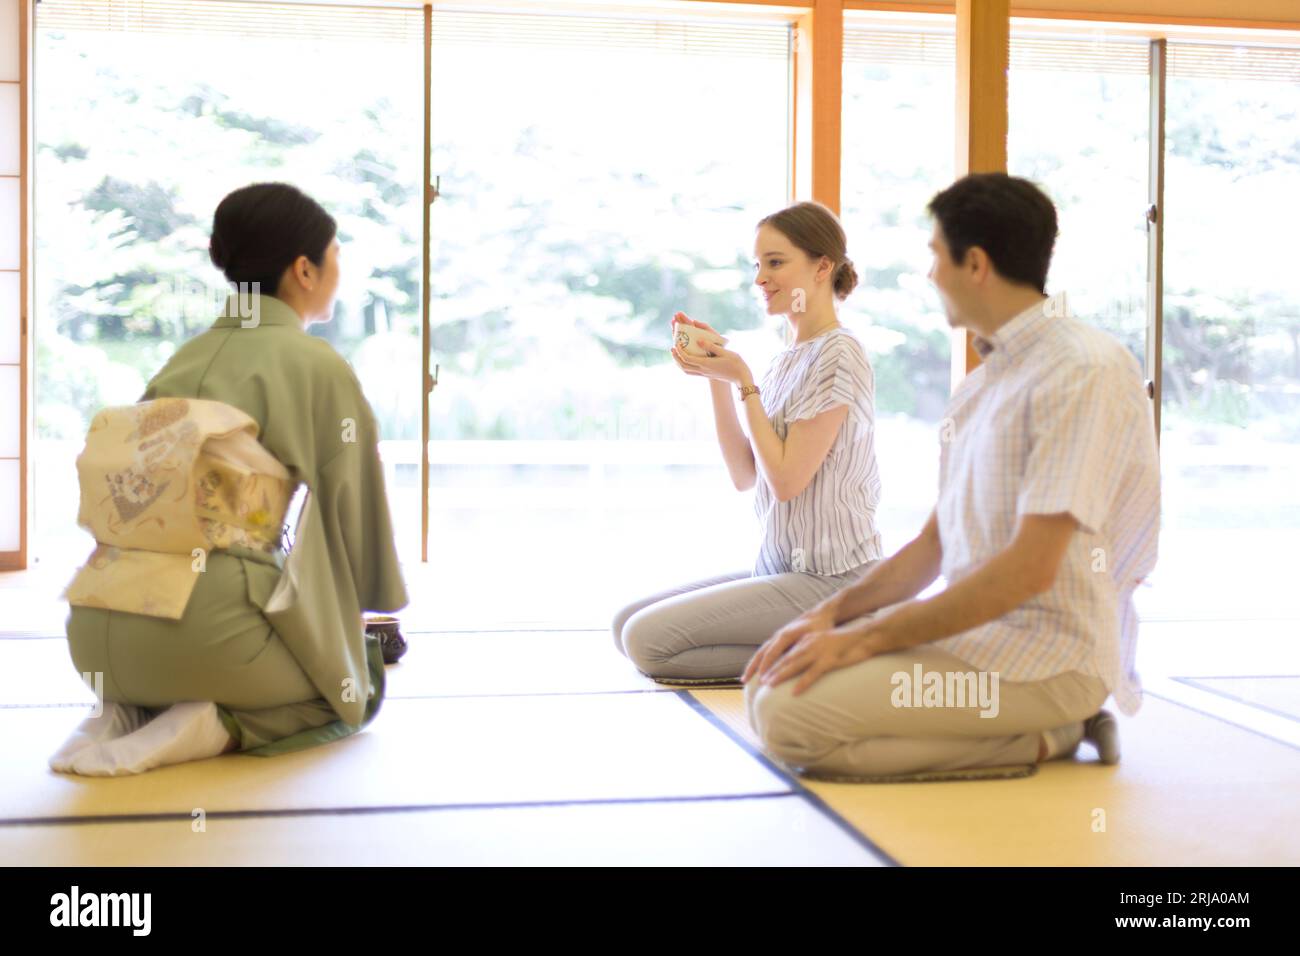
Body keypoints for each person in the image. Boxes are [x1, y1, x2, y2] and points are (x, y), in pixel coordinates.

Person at [742, 173, 1160, 778]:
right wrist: (831, 615)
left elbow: (1027, 571)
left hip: (1051, 660)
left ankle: (1051, 731)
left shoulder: (1081, 371)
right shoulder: (980, 386)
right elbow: (935, 544)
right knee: (768, 692)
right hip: (978, 637)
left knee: (788, 716)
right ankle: (1031, 731)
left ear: (976, 264)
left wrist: (863, 639)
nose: (930, 275)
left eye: (936, 257)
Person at [50, 182, 408, 776]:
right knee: (350, 690)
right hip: (212, 638)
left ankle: (125, 710)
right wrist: (374, 615)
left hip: (94, 634)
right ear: (304, 270)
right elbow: (355, 512)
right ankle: (212, 724)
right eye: (335, 252)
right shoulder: (316, 364)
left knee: (189, 638)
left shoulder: (184, 357)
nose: (339, 266)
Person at [611, 201, 883, 684]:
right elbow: (744, 476)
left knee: (646, 642)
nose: (761, 277)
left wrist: (742, 380)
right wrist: (715, 376)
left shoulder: (841, 354)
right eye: (757, 265)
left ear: (823, 267)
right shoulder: (785, 361)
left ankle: (843, 648)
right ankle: (812, 648)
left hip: (833, 582)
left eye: (776, 262)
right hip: (779, 571)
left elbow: (785, 481)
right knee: (624, 625)